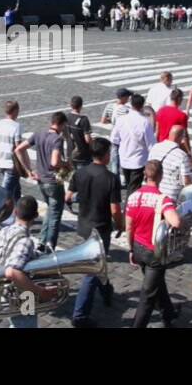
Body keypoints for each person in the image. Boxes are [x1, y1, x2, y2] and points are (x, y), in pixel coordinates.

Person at [66, 137, 121, 328]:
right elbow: (115, 209)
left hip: (84, 225)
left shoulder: (80, 173)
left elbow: (69, 196)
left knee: (99, 265)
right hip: (101, 227)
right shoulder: (111, 178)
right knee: (92, 271)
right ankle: (80, 315)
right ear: (105, 155)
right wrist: (121, 225)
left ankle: (107, 292)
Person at [126, 160, 182, 328]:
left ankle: (168, 314)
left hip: (138, 247)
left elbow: (129, 226)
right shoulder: (162, 199)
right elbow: (176, 222)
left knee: (157, 283)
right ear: (161, 176)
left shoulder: (133, 196)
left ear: (145, 174)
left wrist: (131, 250)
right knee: (148, 296)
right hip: (154, 252)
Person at [0, 196, 57, 328]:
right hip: (22, 296)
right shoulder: (25, 241)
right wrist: (40, 291)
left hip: (4, 291)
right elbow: (12, 271)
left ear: (15, 212)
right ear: (36, 215)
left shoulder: (3, 231)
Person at [16, 112, 70, 252]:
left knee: (49, 210)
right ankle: (49, 246)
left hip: (41, 180)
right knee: (55, 216)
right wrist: (65, 164)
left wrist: (28, 170)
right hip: (53, 182)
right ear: (61, 124)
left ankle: (41, 241)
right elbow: (54, 162)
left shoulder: (38, 134)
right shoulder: (57, 139)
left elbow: (19, 149)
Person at [111, 94, 155, 197]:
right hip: (138, 161)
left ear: (131, 104)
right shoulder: (145, 122)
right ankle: (129, 210)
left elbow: (114, 139)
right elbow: (151, 145)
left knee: (130, 186)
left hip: (124, 159)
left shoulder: (121, 120)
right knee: (133, 190)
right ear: (142, 106)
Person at [148, 125, 192, 202]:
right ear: (181, 138)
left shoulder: (155, 147)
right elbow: (186, 181)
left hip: (154, 192)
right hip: (170, 196)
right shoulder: (181, 155)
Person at [0, 100, 26, 203]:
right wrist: (25, 167)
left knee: (16, 190)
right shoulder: (16, 126)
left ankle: (18, 210)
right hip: (11, 165)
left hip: (1, 162)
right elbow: (18, 149)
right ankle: (3, 216)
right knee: (5, 195)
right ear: (15, 111)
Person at [66, 96, 92, 171]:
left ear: (71, 105)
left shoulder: (67, 117)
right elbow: (87, 139)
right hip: (83, 155)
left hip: (70, 153)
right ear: (81, 106)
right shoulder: (84, 120)